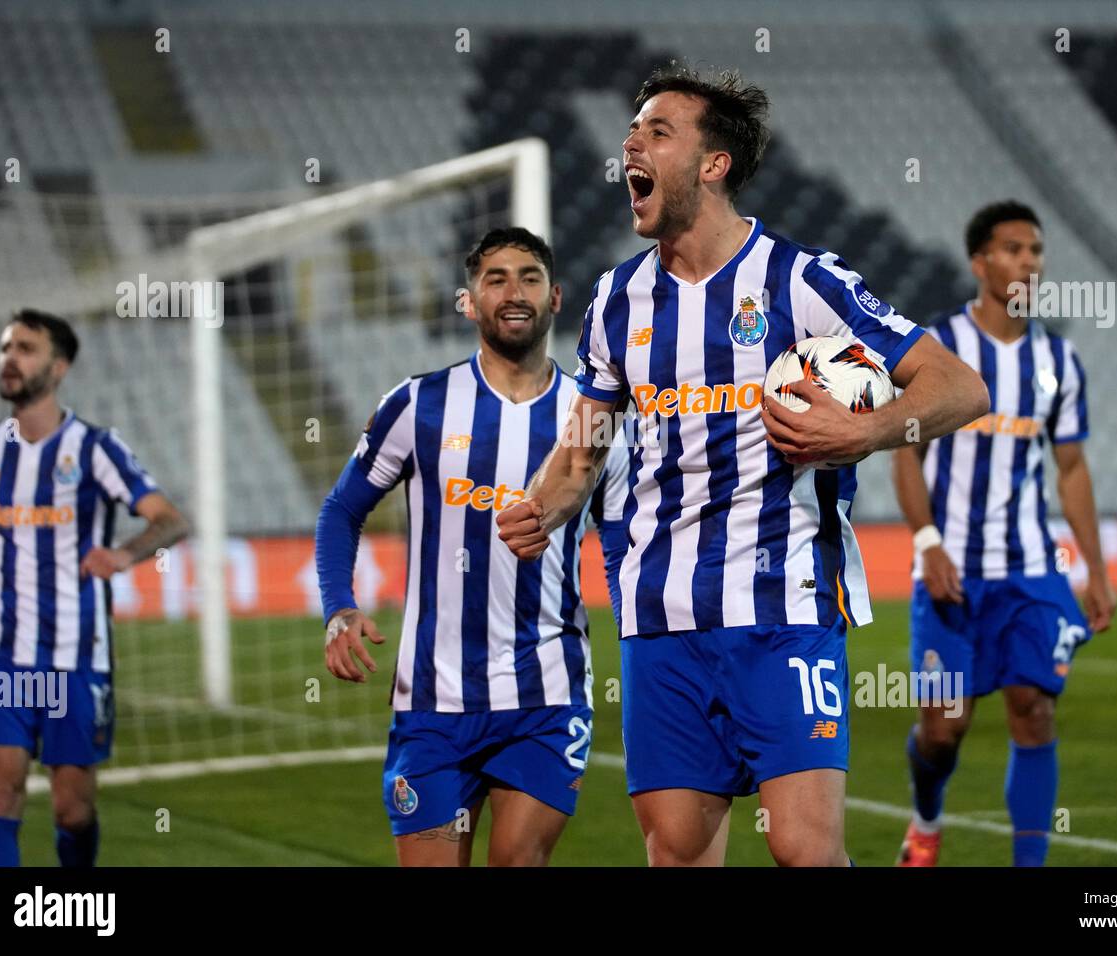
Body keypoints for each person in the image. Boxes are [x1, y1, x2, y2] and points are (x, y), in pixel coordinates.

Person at [498, 66, 988, 867]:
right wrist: (543, 504)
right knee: (680, 856)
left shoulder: (803, 280)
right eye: (633, 129)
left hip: (780, 608)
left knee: (805, 853)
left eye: (658, 130)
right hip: (659, 621)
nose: (631, 143)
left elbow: (959, 386)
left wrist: (870, 434)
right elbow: (583, 444)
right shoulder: (616, 302)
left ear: (713, 163)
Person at [315, 228, 629, 866]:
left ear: (556, 297)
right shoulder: (418, 404)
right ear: (468, 301)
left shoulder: (592, 418)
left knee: (518, 861)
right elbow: (342, 509)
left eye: (530, 278)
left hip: (546, 695)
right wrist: (338, 606)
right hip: (433, 701)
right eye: (496, 279)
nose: (514, 293)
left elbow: (625, 542)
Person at [893, 200, 1117, 867]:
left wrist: (1097, 572)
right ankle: (925, 821)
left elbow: (1070, 468)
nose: (1029, 262)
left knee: (1034, 708)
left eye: (1037, 251)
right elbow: (906, 452)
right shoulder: (941, 350)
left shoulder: (1058, 363)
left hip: (1029, 569)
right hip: (951, 568)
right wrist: (927, 543)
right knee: (943, 729)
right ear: (979, 261)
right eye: (1014, 249)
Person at [0, 309, 189, 867]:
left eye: (26, 348)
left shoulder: (95, 448)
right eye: (6, 347)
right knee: (0, 788)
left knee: (72, 808)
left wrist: (125, 554)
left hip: (78, 657)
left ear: (58, 367)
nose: (9, 359)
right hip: (2, 655)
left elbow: (171, 519)